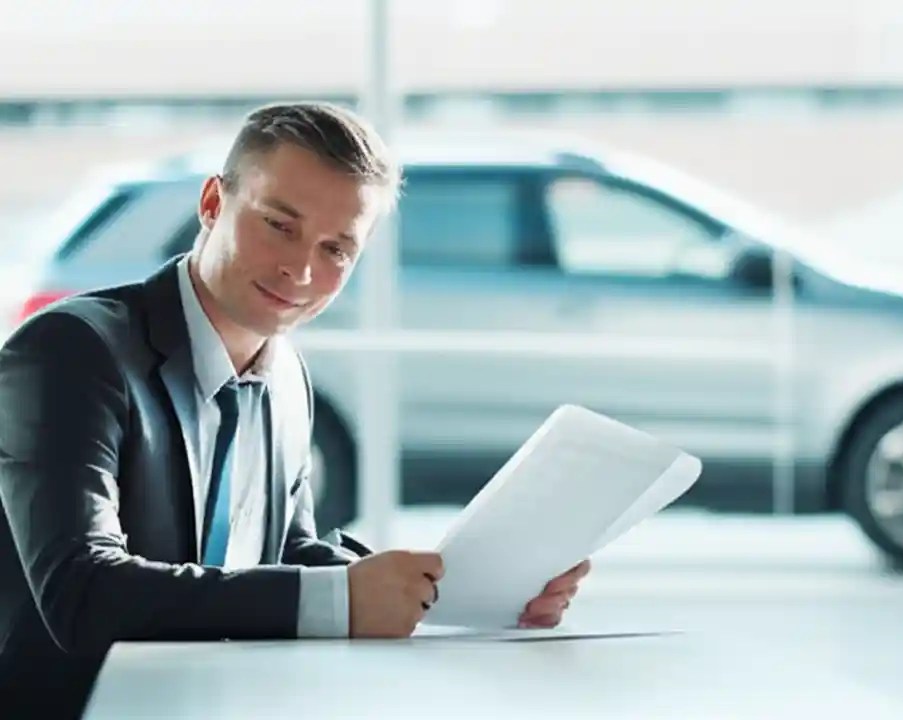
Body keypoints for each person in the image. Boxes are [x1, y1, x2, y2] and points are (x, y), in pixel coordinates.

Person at [0, 102, 591, 719]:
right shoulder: (70, 352)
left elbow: (290, 552)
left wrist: (468, 595)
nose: (301, 269)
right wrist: (344, 600)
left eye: (336, 249)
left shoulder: (285, 376)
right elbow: (83, 593)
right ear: (211, 205)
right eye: (280, 226)